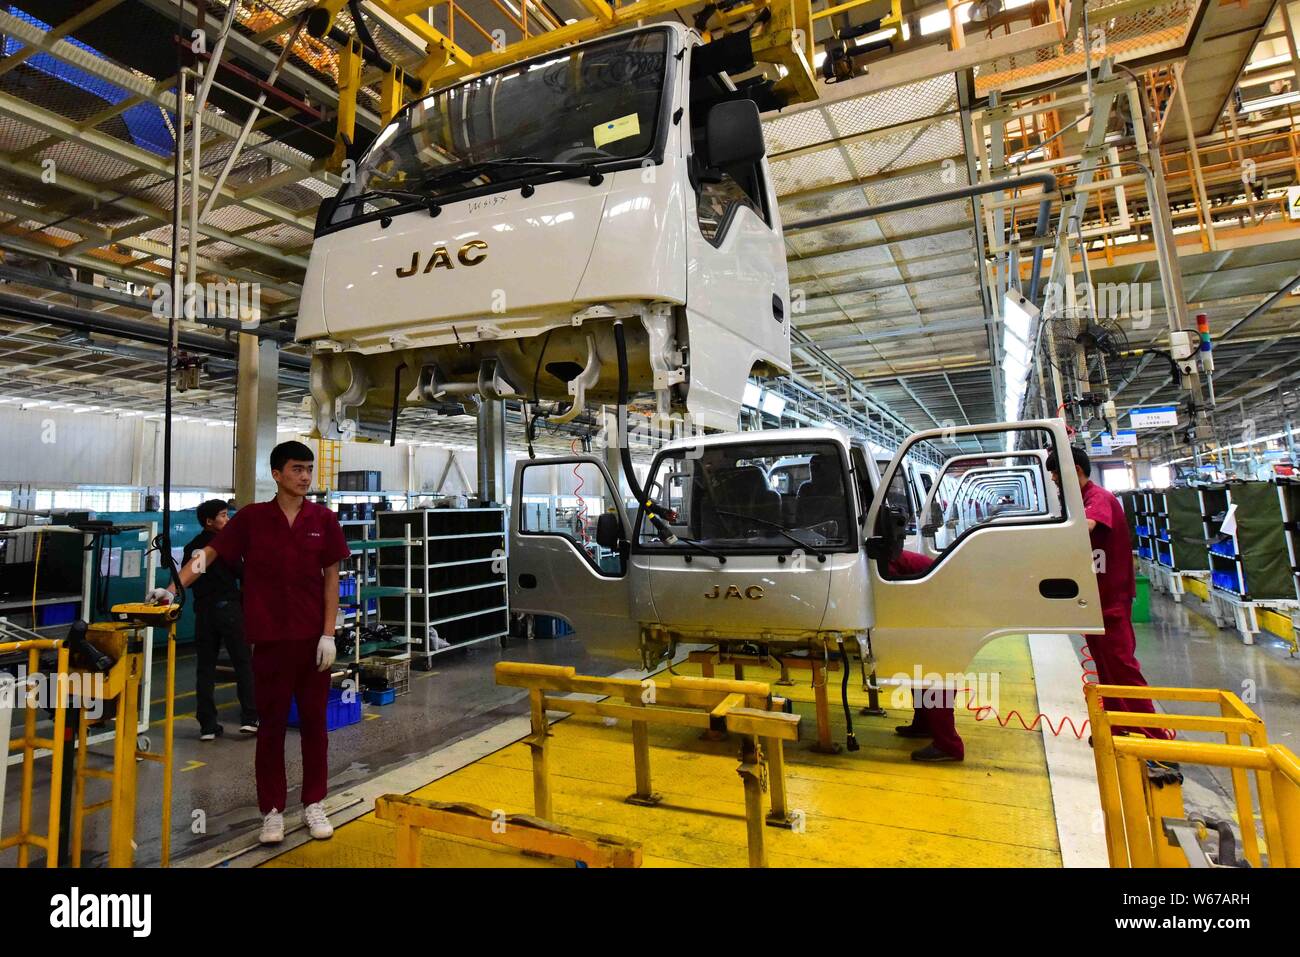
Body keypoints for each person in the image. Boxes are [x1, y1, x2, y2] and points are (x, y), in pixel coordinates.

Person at [152, 441, 351, 844]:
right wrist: (173, 589)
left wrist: (329, 633)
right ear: (276, 474)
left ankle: (314, 803)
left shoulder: (324, 520)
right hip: (270, 642)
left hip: (314, 642)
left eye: (309, 469)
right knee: (271, 728)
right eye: (297, 469)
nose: (305, 477)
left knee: (315, 728)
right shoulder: (252, 520)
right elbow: (207, 555)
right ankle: (273, 811)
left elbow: (332, 579)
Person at [1046, 445, 1173, 741]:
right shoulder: (1083, 499)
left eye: (1057, 480)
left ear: (1075, 471)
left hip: (1111, 600)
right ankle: (1117, 726)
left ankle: (1157, 742)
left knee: (1123, 669)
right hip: (1095, 600)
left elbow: (1088, 526)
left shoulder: (1098, 498)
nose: (1057, 487)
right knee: (1105, 668)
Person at [183, 500, 257, 741]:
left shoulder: (193, 548)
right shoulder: (224, 546)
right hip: (229, 611)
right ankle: (250, 718)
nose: (227, 520)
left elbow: (194, 577)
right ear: (209, 521)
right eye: (223, 516)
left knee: (205, 668)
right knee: (243, 663)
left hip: (203, 613)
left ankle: (207, 725)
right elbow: (243, 573)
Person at [887, 549, 965, 762]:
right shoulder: (888, 557)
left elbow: (893, 598)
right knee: (919, 672)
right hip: (932, 611)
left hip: (940, 614)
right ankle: (923, 725)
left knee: (935, 677)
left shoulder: (884, 562)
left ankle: (949, 745)